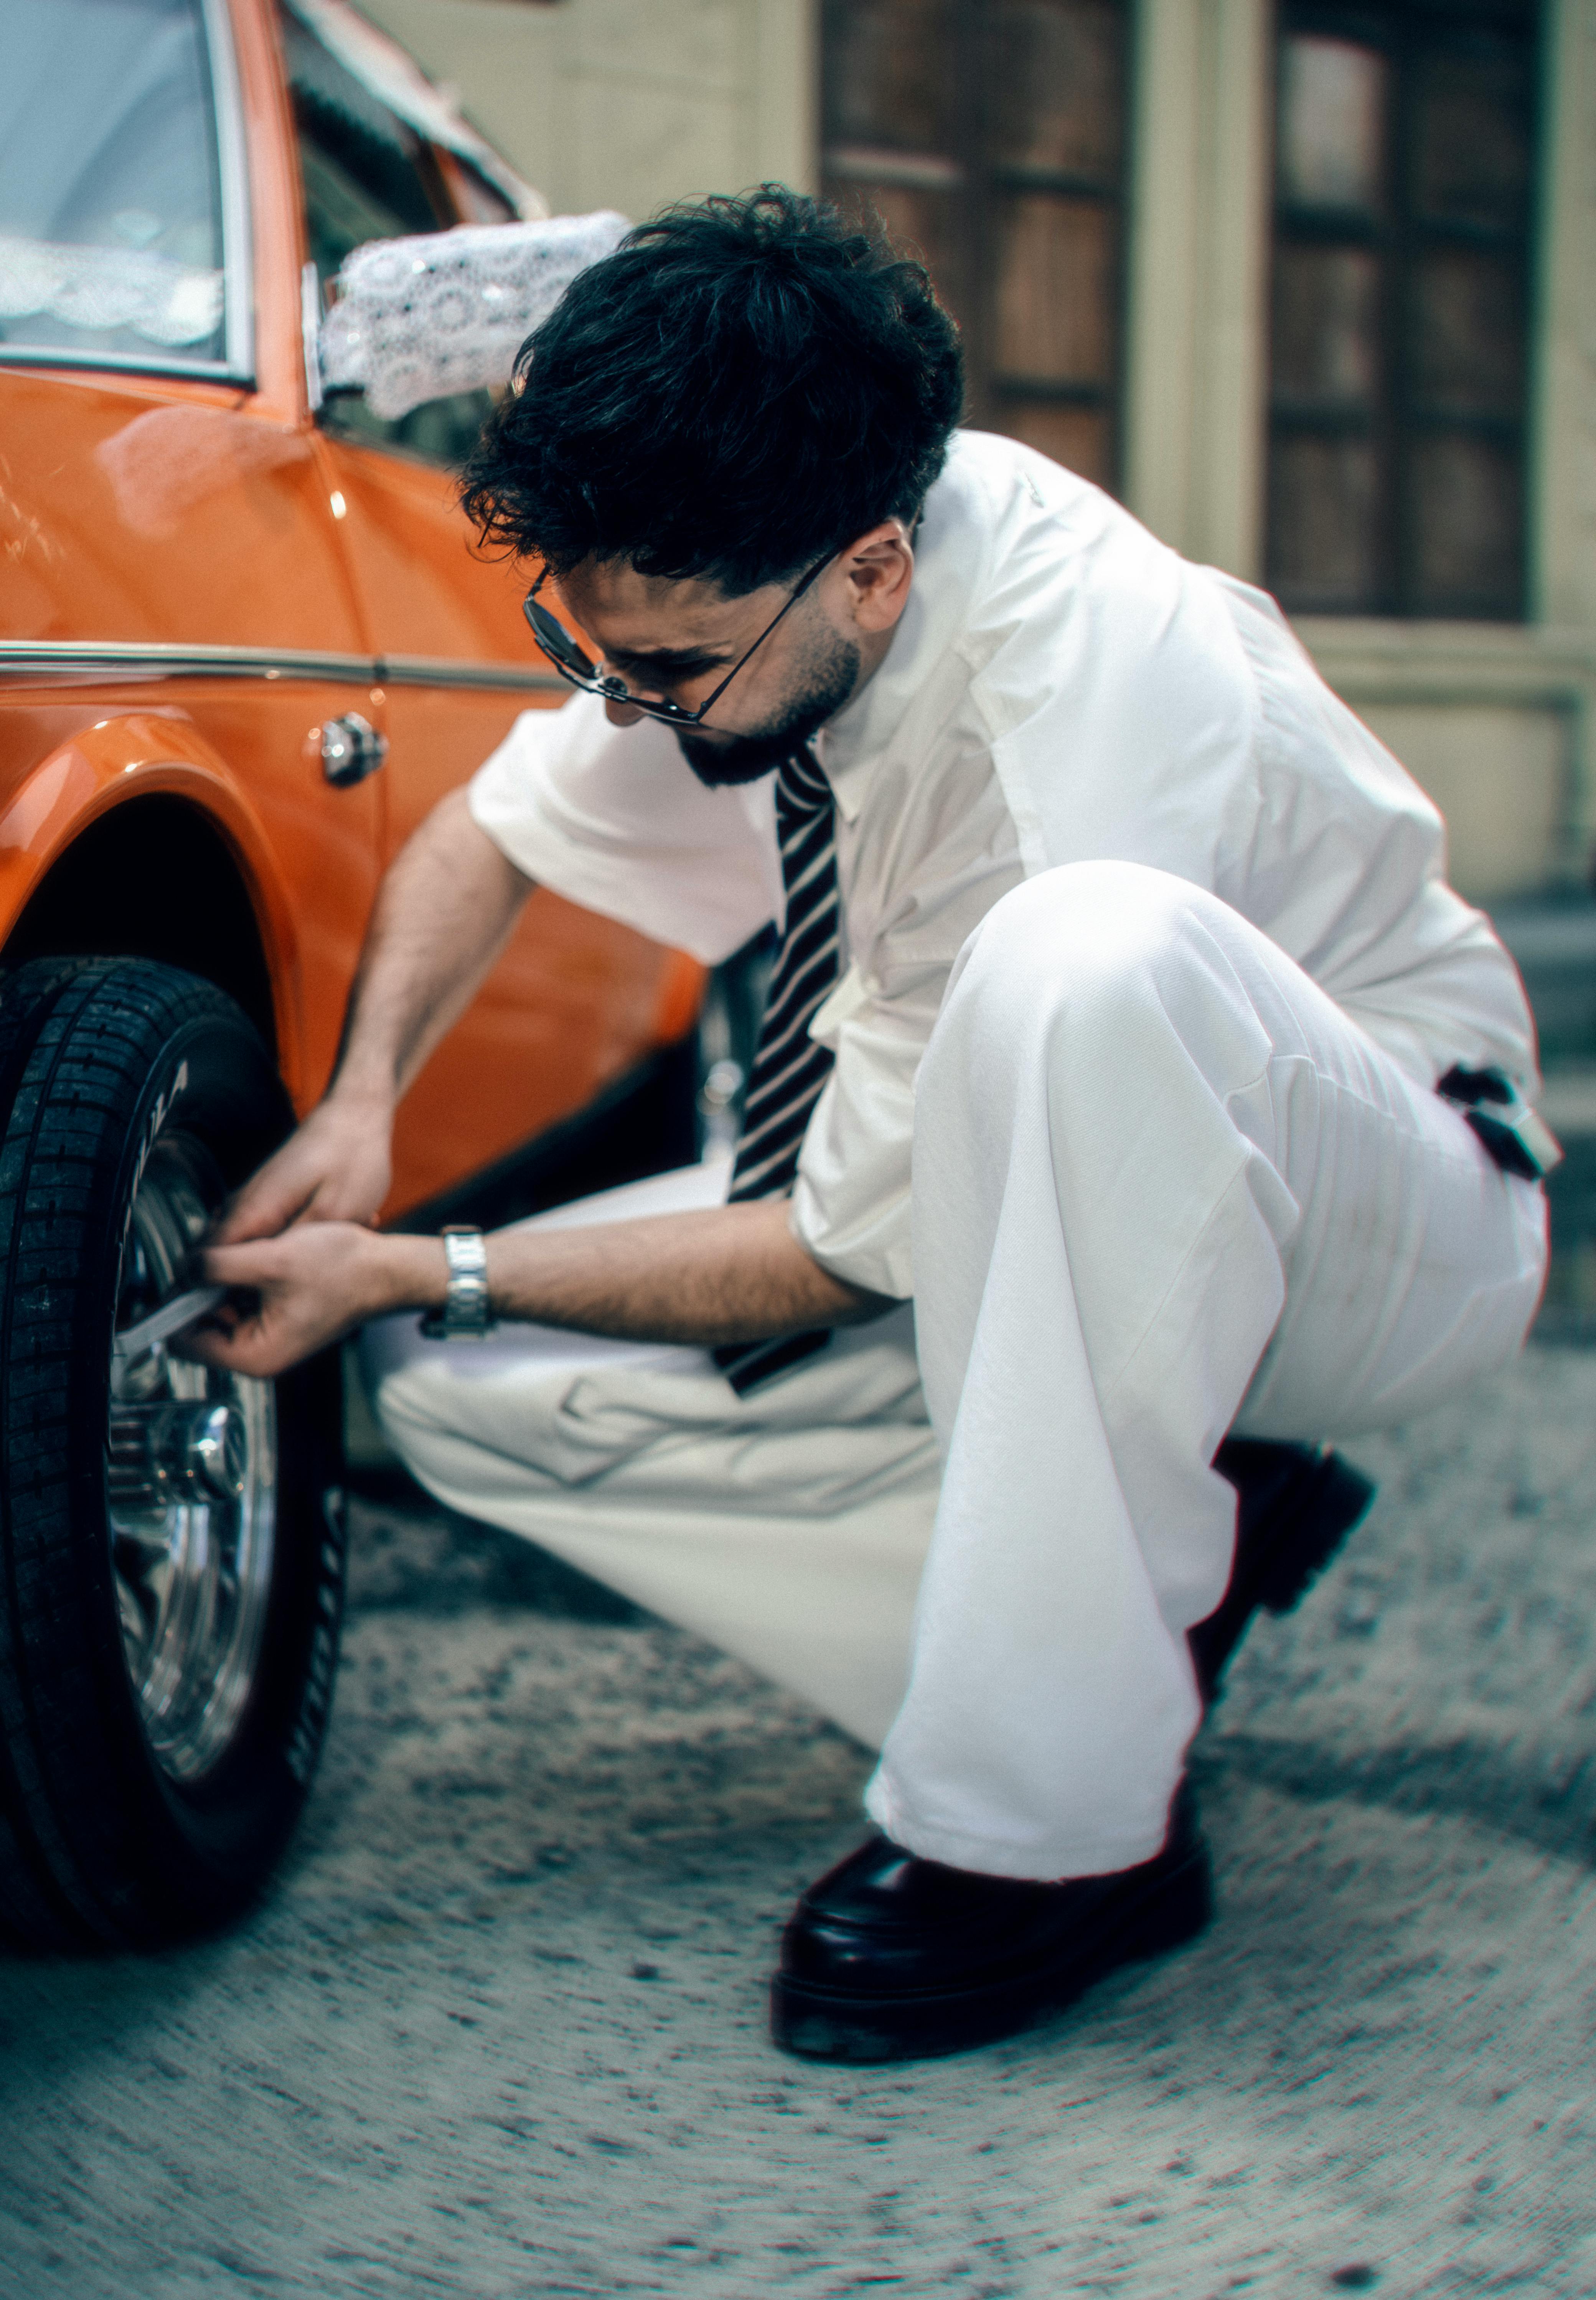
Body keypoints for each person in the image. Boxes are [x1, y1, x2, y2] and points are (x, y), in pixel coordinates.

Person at [196, 188, 1551, 2065]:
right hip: (1063, 1190)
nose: (620, 703)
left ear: (875, 574)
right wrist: (363, 1114)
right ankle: (1179, 1563)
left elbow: (846, 1252)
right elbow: (493, 835)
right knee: (459, 1387)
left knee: (1078, 962)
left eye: (660, 674)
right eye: (584, 649)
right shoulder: (739, 574)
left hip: (1383, 1207)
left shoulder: (1084, 689)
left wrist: (418, 1256)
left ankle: (1061, 1833)